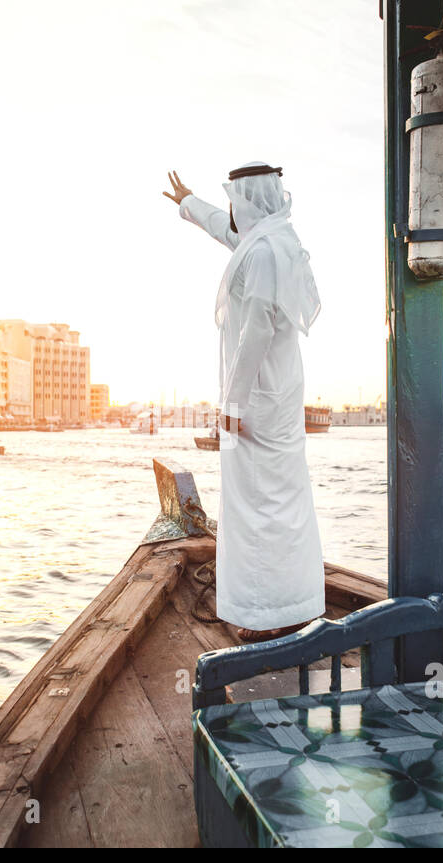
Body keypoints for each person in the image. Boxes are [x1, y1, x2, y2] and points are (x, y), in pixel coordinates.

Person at [163, 162, 325, 642]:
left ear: (249, 201)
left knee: (256, 507)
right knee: (282, 502)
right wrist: (189, 203)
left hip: (255, 401)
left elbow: (255, 331)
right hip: (275, 395)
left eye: (234, 200)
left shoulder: (264, 254)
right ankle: (294, 607)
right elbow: (226, 230)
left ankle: (266, 615)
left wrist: (230, 406)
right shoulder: (273, 242)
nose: (231, 209)